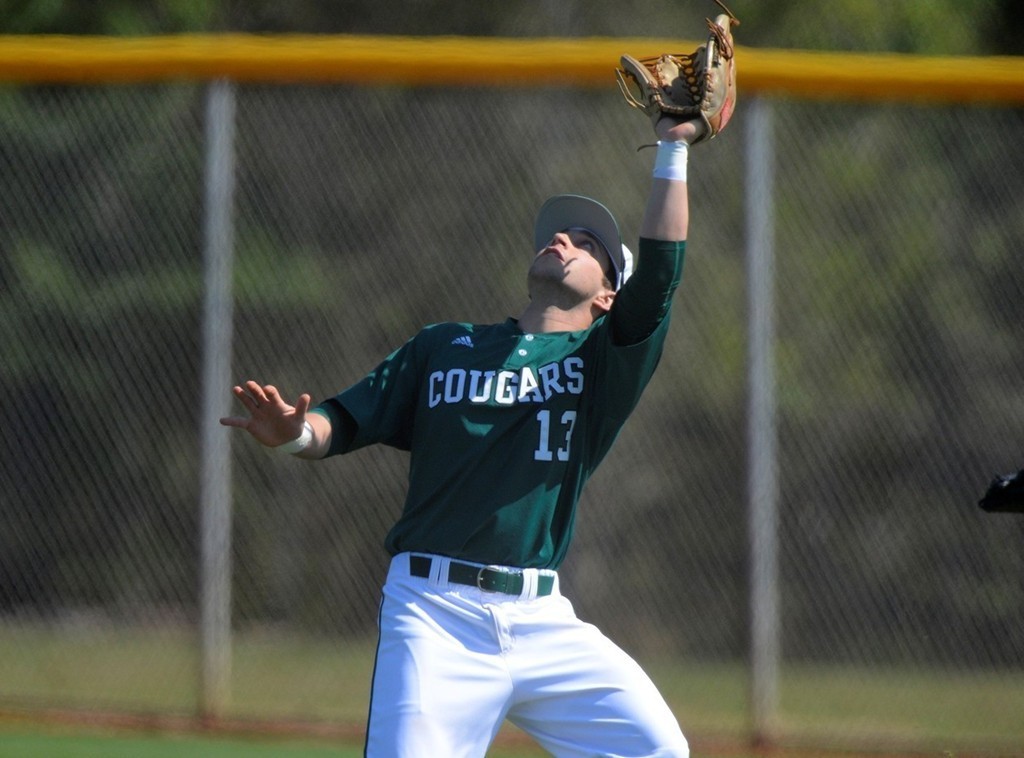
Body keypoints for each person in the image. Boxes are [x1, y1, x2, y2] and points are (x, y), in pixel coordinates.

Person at [221, 115, 702, 757]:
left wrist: (672, 148)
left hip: (542, 620)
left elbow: (663, 273)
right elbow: (346, 420)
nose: (562, 237)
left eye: (585, 243)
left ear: (610, 296)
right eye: (559, 233)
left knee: (659, 750)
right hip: (434, 613)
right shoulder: (446, 346)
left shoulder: (602, 362)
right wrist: (292, 434)